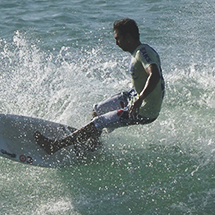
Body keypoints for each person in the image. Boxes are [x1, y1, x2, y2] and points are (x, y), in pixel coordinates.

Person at [39, 18, 163, 154]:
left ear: (128, 36)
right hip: (134, 97)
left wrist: (140, 99)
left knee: (98, 122)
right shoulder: (138, 52)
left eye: (118, 38)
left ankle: (54, 146)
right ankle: (93, 147)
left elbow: (155, 75)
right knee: (97, 110)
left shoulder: (142, 52)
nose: (116, 43)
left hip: (145, 110)